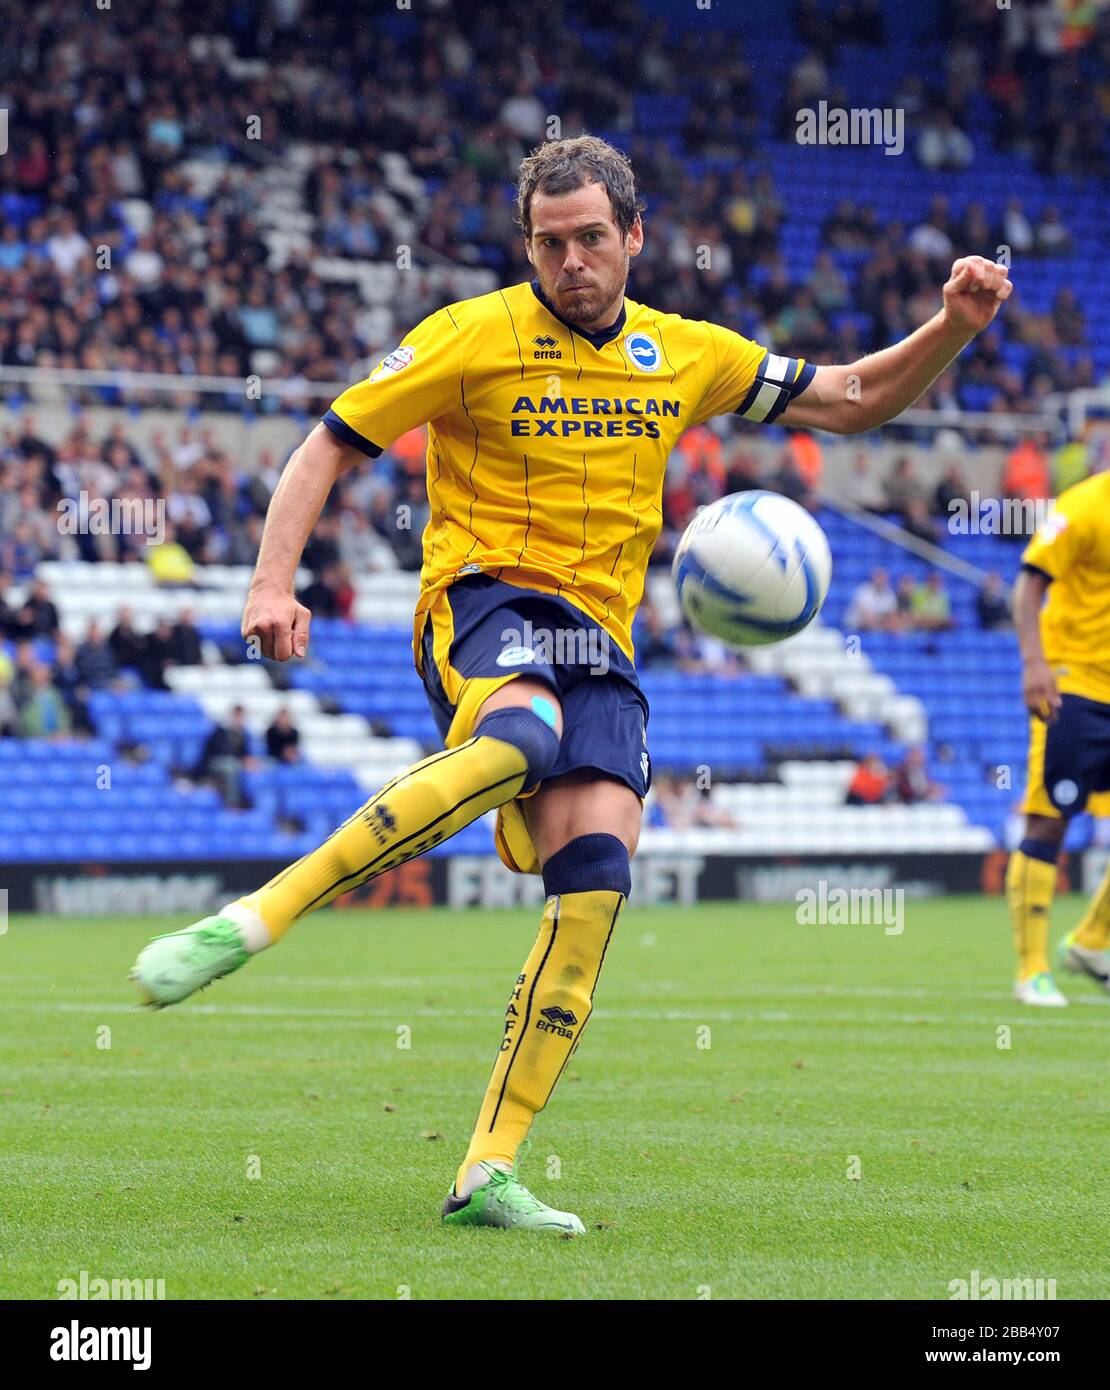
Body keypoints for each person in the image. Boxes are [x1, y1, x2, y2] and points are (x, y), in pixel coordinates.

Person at [130, 133, 1013, 1234]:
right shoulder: (470, 334)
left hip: (604, 639)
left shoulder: (684, 352)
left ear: (635, 237)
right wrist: (271, 585)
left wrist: (953, 330)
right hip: (485, 600)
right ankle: (257, 916)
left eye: (592, 238)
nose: (572, 262)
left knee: (594, 879)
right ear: (529, 246)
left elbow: (848, 399)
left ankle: (485, 1169)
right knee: (524, 735)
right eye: (551, 244)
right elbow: (326, 445)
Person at [1005, 470, 1110, 1006]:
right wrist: (1034, 663)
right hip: (1073, 686)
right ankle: (1032, 970)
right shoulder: (1085, 507)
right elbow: (1028, 585)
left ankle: (1092, 942)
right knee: (1050, 819)